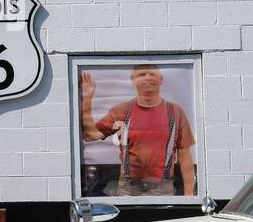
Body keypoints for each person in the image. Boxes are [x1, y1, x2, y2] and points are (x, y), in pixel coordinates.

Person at [80, 64, 196, 197]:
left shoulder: (175, 112)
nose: (147, 78)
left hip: (163, 189)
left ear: (161, 79)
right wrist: (87, 99)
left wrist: (189, 195)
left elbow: (185, 156)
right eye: (142, 74)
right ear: (133, 79)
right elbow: (90, 135)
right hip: (129, 189)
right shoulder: (122, 110)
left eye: (152, 74)